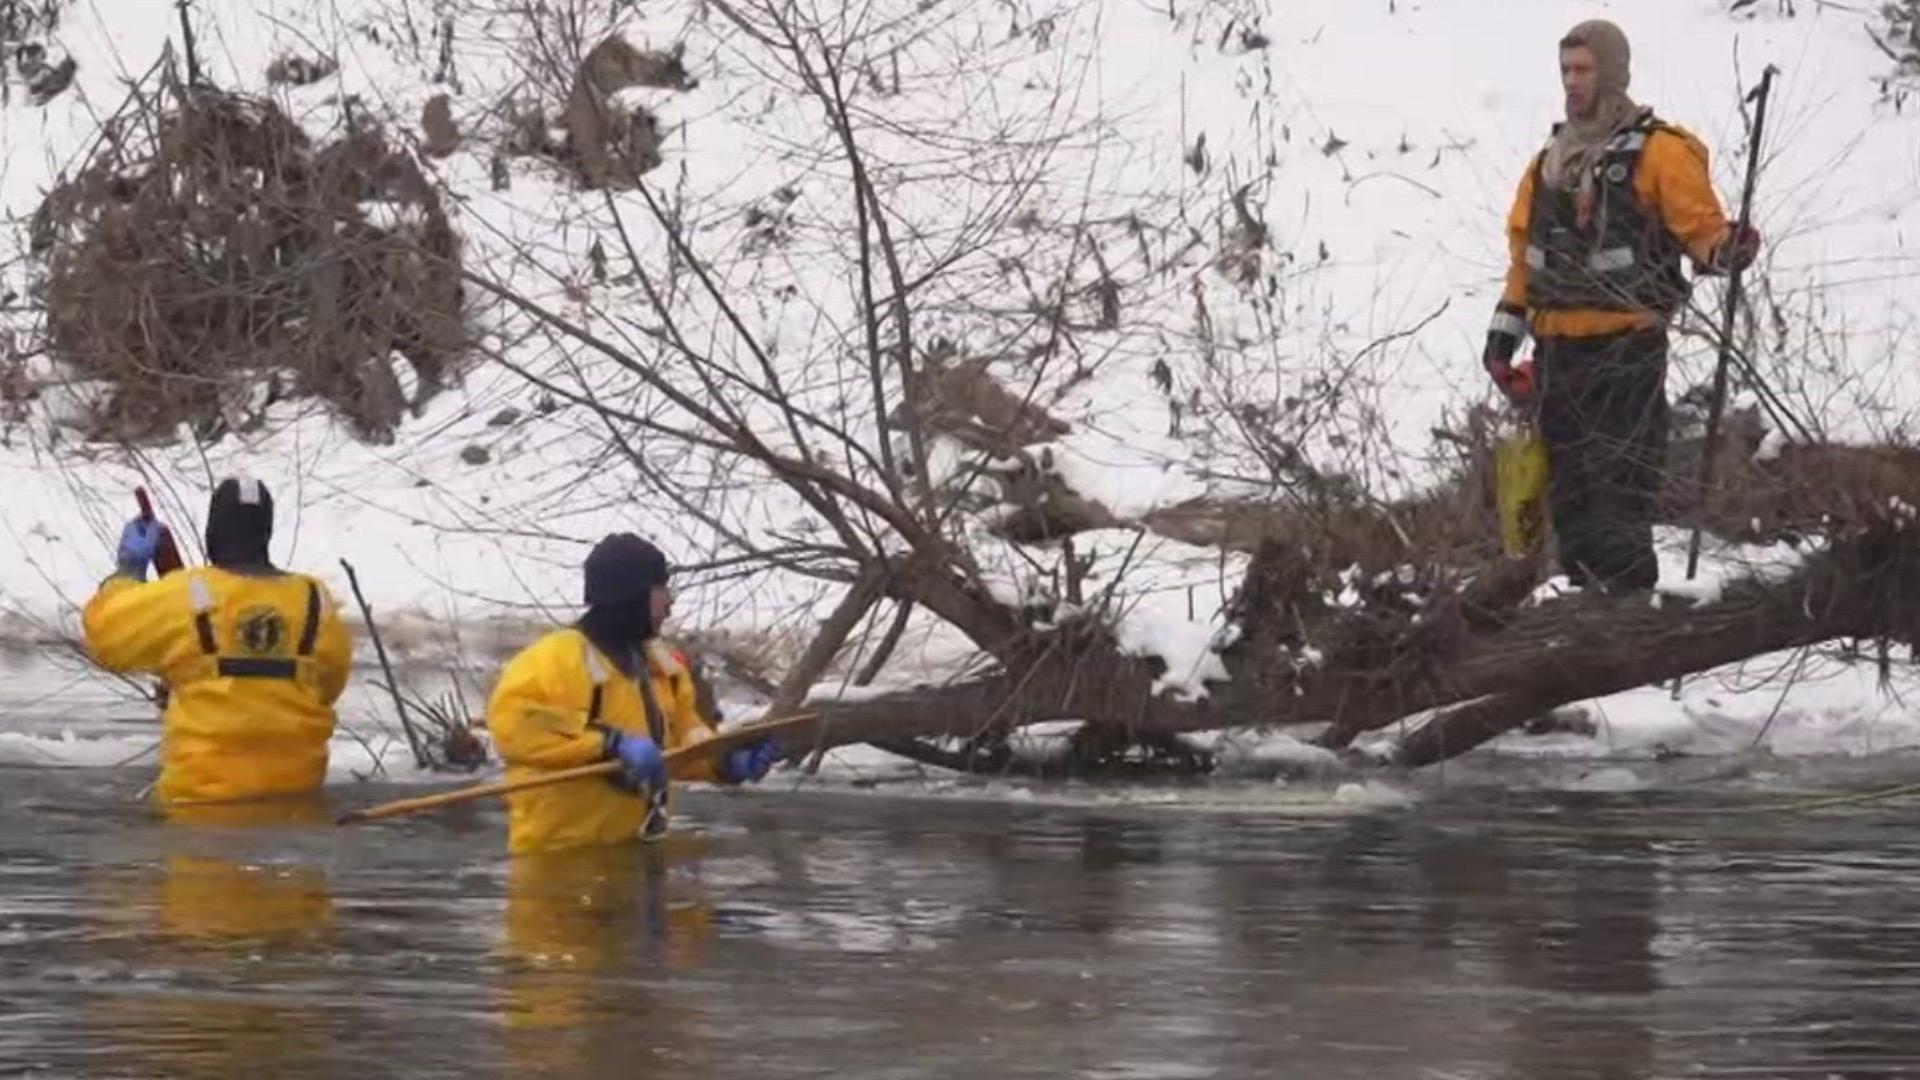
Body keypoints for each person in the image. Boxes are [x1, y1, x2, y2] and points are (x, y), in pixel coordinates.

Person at [1483, 19, 1761, 593]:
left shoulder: (1662, 151)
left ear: (1611, 72)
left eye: (1583, 69)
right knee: (1571, 492)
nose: (1572, 82)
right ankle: (1582, 602)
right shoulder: (1547, 165)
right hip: (1557, 352)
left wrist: (1725, 250)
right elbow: (1523, 262)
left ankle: (1628, 615)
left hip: (1627, 348)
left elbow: (1699, 229)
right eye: (1565, 70)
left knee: (1621, 485)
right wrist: (1502, 340)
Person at [486, 532, 778, 855]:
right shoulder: (555, 659)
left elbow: (682, 749)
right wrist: (609, 744)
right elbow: (515, 726)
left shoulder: (662, 669)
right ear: (631, 594)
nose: (670, 603)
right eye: (661, 589)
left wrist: (725, 762)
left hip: (636, 853)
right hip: (559, 865)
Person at [83, 477, 353, 804]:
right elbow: (330, 686)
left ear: (213, 532)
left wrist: (127, 570)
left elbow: (105, 637)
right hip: (297, 799)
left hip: (198, 805)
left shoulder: (187, 593)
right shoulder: (314, 600)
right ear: (266, 534)